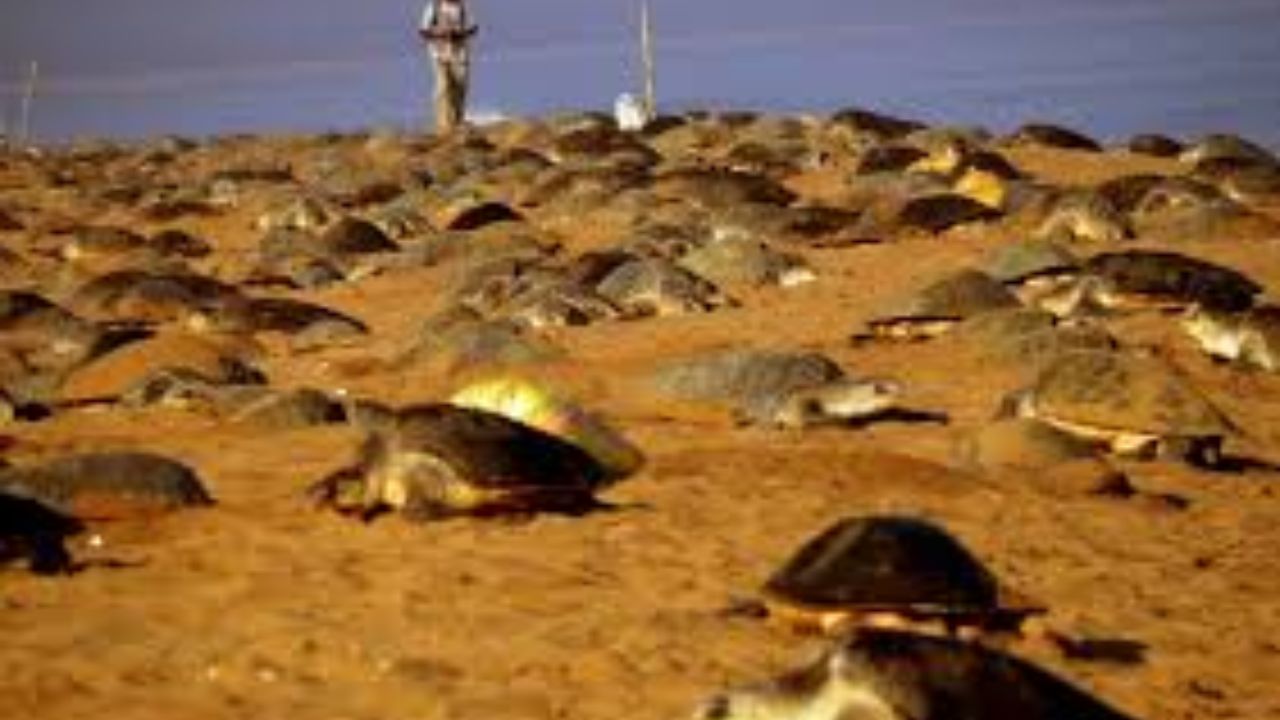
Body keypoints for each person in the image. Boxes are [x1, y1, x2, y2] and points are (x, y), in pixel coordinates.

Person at [419, 0, 478, 133]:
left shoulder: (463, 6)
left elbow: (474, 28)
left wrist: (458, 34)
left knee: (460, 86)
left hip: (460, 54)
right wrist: (439, 34)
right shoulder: (434, 6)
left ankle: (457, 120)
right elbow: (422, 31)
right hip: (438, 54)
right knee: (443, 86)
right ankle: (442, 124)